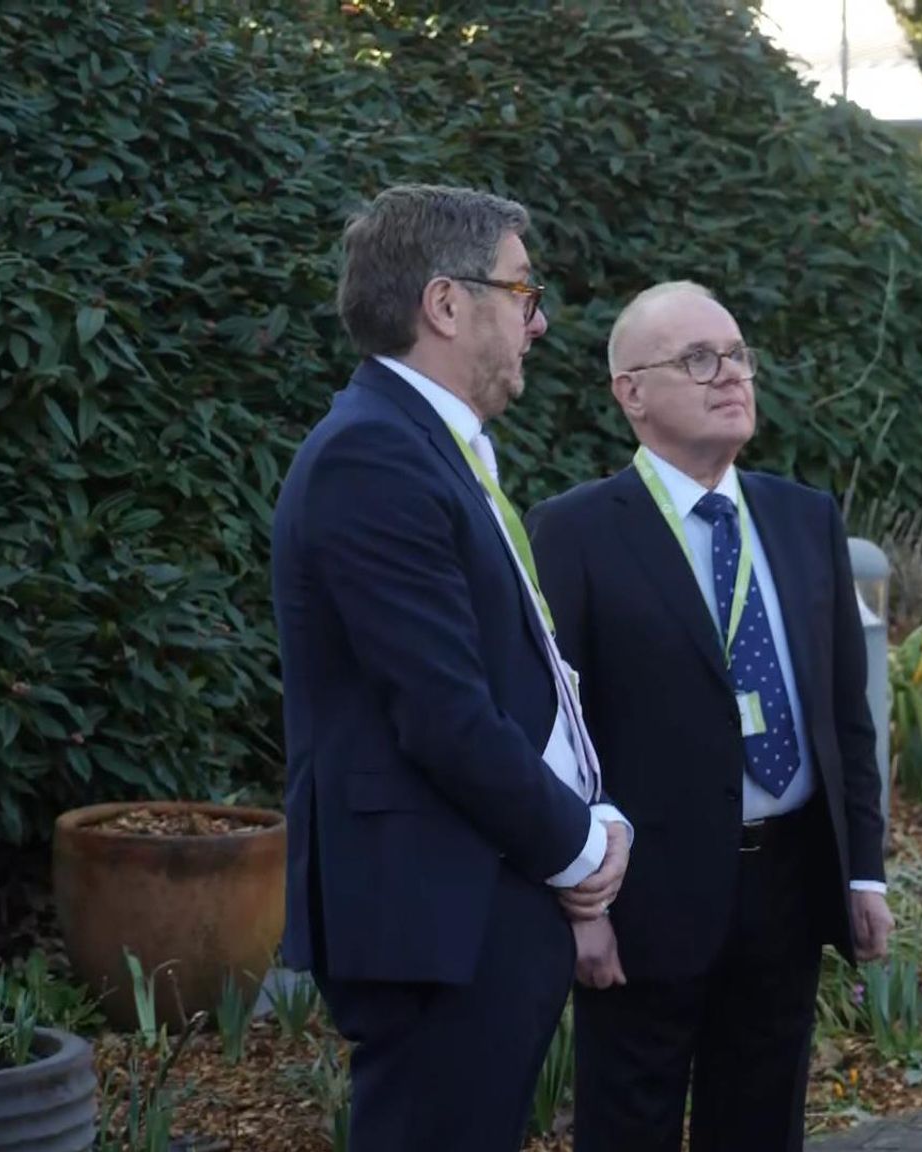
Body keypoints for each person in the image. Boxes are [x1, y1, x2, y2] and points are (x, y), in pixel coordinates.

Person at [270, 184, 633, 1151]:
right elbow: (442, 713)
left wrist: (590, 810)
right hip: (435, 912)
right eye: (523, 292)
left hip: (469, 895)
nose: (540, 320)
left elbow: (516, 680)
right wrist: (581, 849)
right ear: (444, 303)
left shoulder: (422, 446)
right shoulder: (375, 458)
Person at [526, 281, 893, 1152]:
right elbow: (554, 738)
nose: (729, 375)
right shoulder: (572, 533)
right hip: (645, 894)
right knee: (630, 1126)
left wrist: (864, 870)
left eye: (736, 355)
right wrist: (582, 908)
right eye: (698, 360)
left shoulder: (804, 518)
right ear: (631, 393)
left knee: (764, 1124)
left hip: (789, 882)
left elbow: (846, 715)